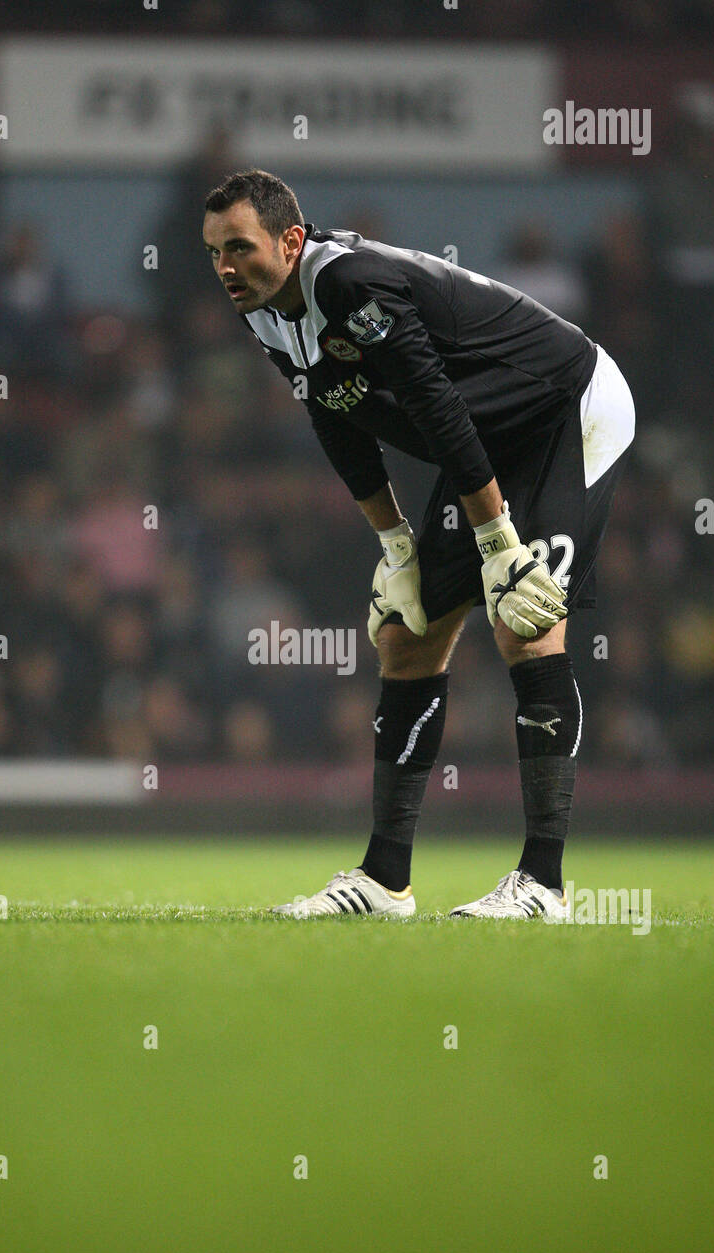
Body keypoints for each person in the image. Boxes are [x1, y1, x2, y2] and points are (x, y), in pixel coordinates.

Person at [202, 170, 635, 920]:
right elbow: (336, 415)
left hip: (569, 408)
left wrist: (499, 544)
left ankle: (543, 883)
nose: (226, 268)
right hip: (489, 438)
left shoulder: (351, 286)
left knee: (523, 621)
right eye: (214, 253)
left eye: (239, 247)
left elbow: (434, 408)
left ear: (292, 240)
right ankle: (384, 879)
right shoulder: (266, 313)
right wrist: (396, 546)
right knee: (408, 638)